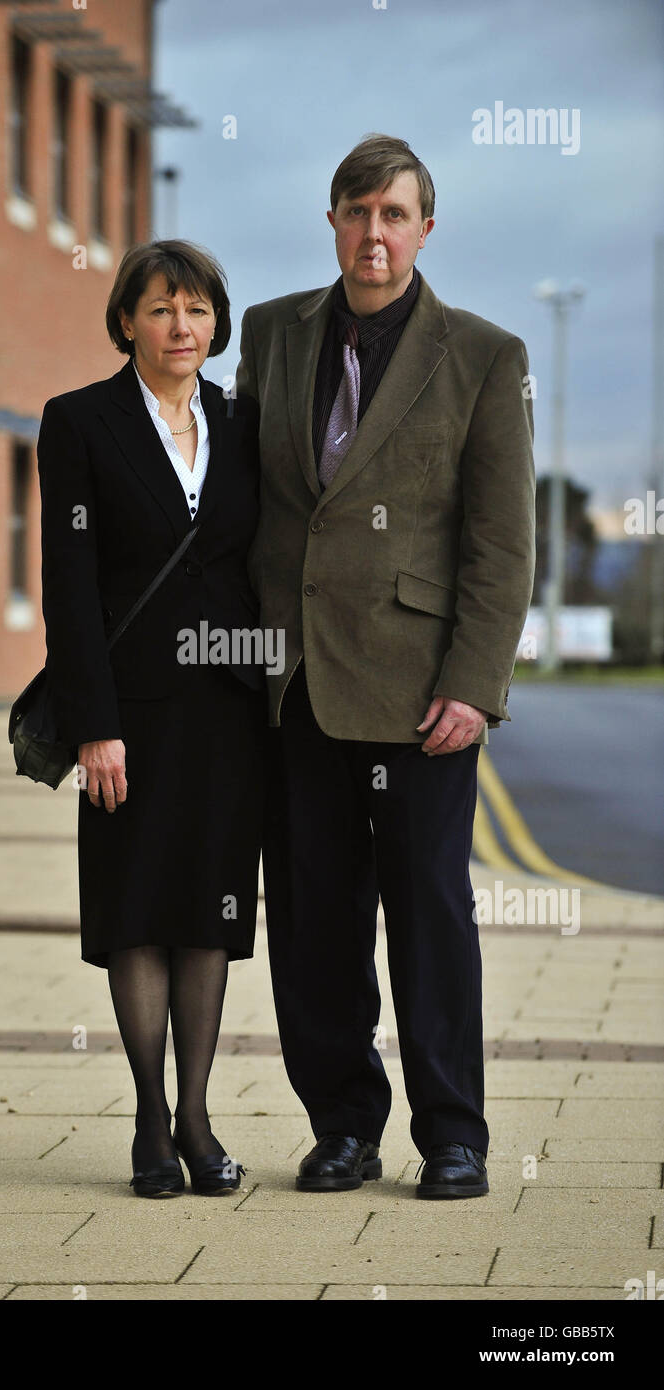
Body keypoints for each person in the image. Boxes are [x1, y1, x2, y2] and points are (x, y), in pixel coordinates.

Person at [235, 134, 535, 1198]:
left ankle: (452, 1133)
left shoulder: (483, 354)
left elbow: (500, 544)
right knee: (312, 922)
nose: (374, 232)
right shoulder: (270, 335)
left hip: (421, 696)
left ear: (424, 228)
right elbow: (245, 512)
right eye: (357, 211)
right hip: (296, 682)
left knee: (430, 918)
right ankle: (343, 1125)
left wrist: (476, 681)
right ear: (331, 220)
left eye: (394, 214)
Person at [37, 240, 265, 1198]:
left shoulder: (241, 421)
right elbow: (70, 582)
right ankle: (146, 1120)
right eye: (164, 309)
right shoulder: (79, 422)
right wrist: (93, 723)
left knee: (206, 915)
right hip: (127, 713)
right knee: (136, 911)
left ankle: (199, 1119)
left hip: (224, 710)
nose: (184, 327)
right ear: (126, 320)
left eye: (199, 310)